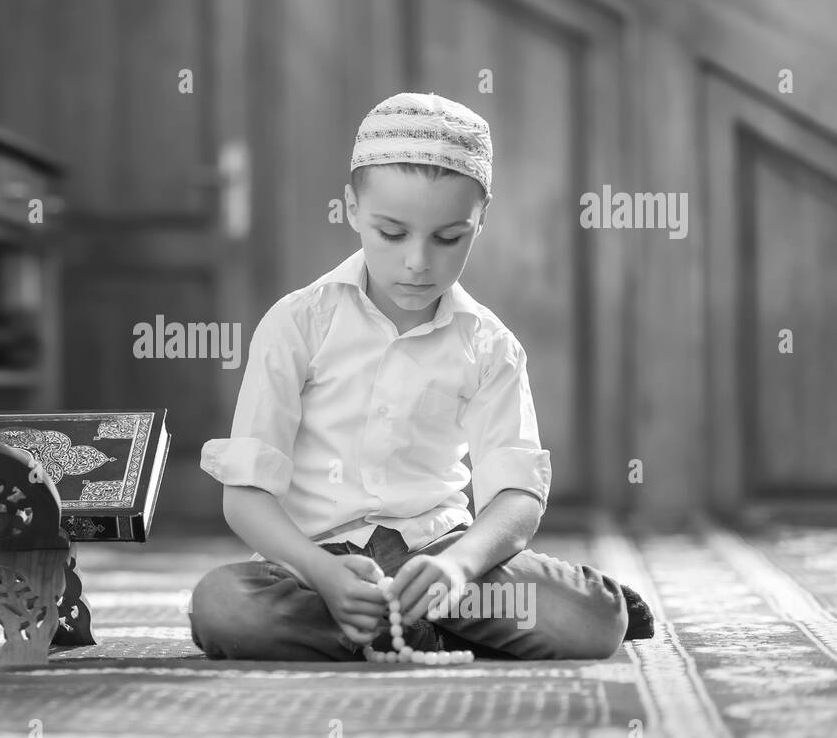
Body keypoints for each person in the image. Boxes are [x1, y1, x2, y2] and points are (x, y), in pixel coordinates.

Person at [190, 92, 654, 662]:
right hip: (317, 567)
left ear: (479, 222)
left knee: (590, 623)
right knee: (223, 606)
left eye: (447, 238)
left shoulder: (489, 345)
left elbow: (516, 495)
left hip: (442, 559)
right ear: (352, 210)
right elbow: (246, 497)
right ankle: (388, 624)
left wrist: (458, 567)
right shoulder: (297, 324)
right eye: (392, 233)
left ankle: (405, 625)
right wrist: (321, 574)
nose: (417, 261)